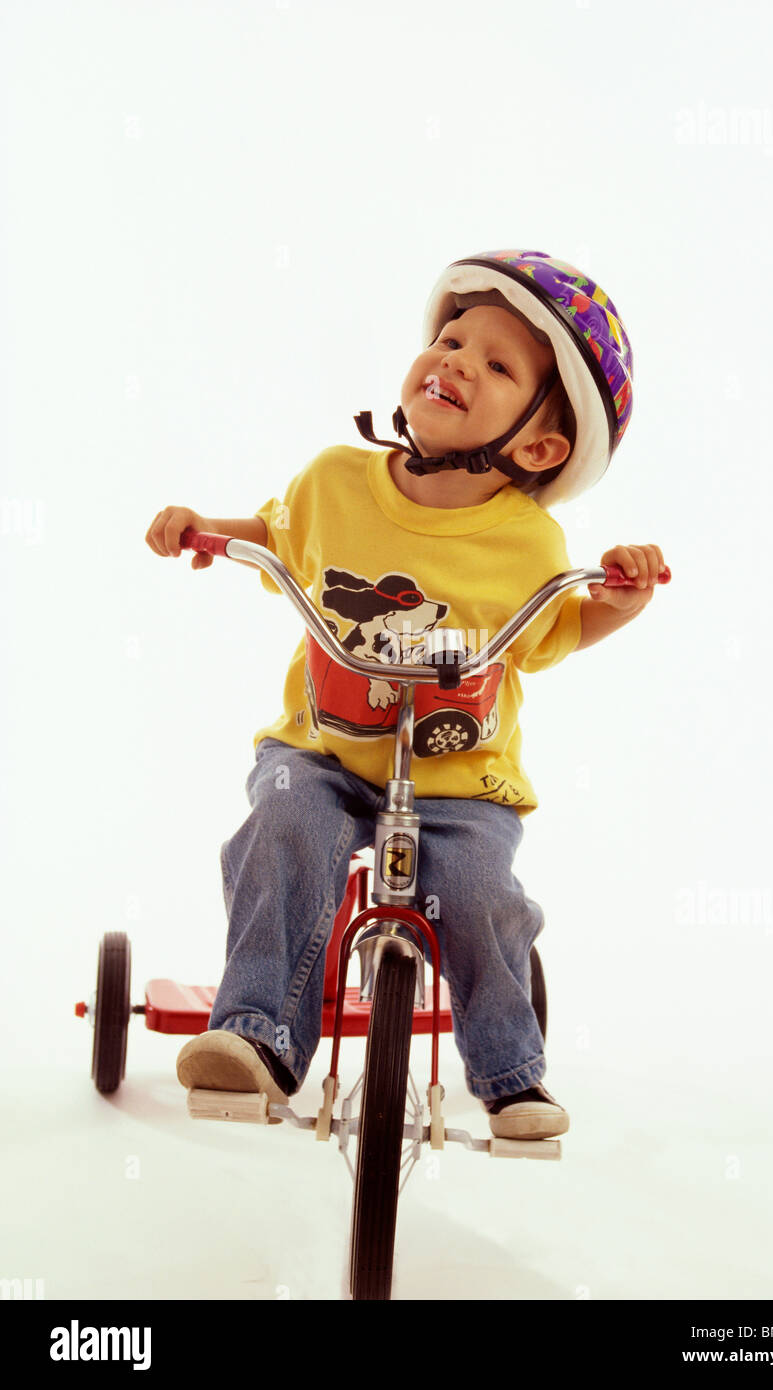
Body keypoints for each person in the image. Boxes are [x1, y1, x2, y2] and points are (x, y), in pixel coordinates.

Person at [144, 249, 667, 1140]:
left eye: (496, 365)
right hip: (321, 750)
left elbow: (559, 629)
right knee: (282, 828)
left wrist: (622, 597)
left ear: (539, 445)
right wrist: (205, 532)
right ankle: (256, 1035)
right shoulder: (335, 481)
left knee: (474, 885)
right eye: (452, 338)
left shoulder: (528, 545)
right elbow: (276, 533)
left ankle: (511, 1073)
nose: (455, 359)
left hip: (461, 781)